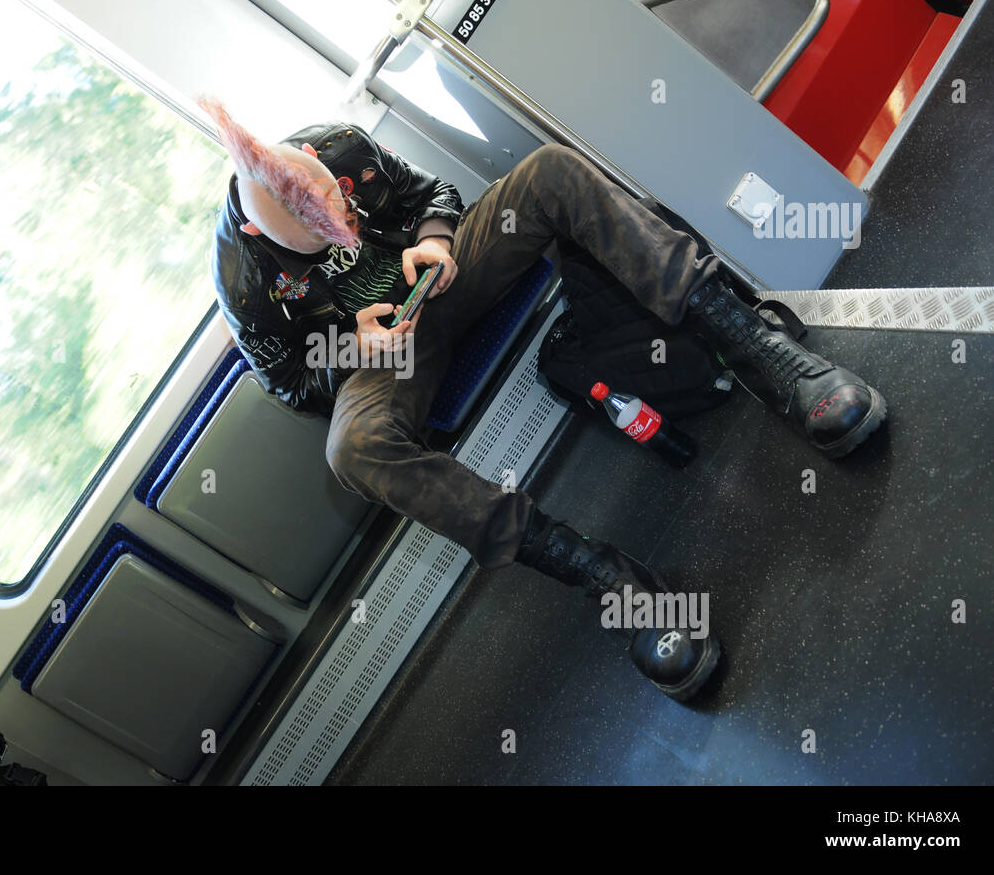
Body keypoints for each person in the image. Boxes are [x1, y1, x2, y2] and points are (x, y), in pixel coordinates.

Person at [201, 98, 887, 701]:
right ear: (265, 234)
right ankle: (608, 577)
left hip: (442, 280)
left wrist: (434, 241)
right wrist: (353, 342)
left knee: (551, 172)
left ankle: (763, 355)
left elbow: (430, 195)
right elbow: (289, 381)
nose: (345, 220)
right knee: (351, 448)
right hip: (385, 356)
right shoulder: (242, 273)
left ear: (317, 161)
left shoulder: (339, 142)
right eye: (324, 232)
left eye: (344, 204)